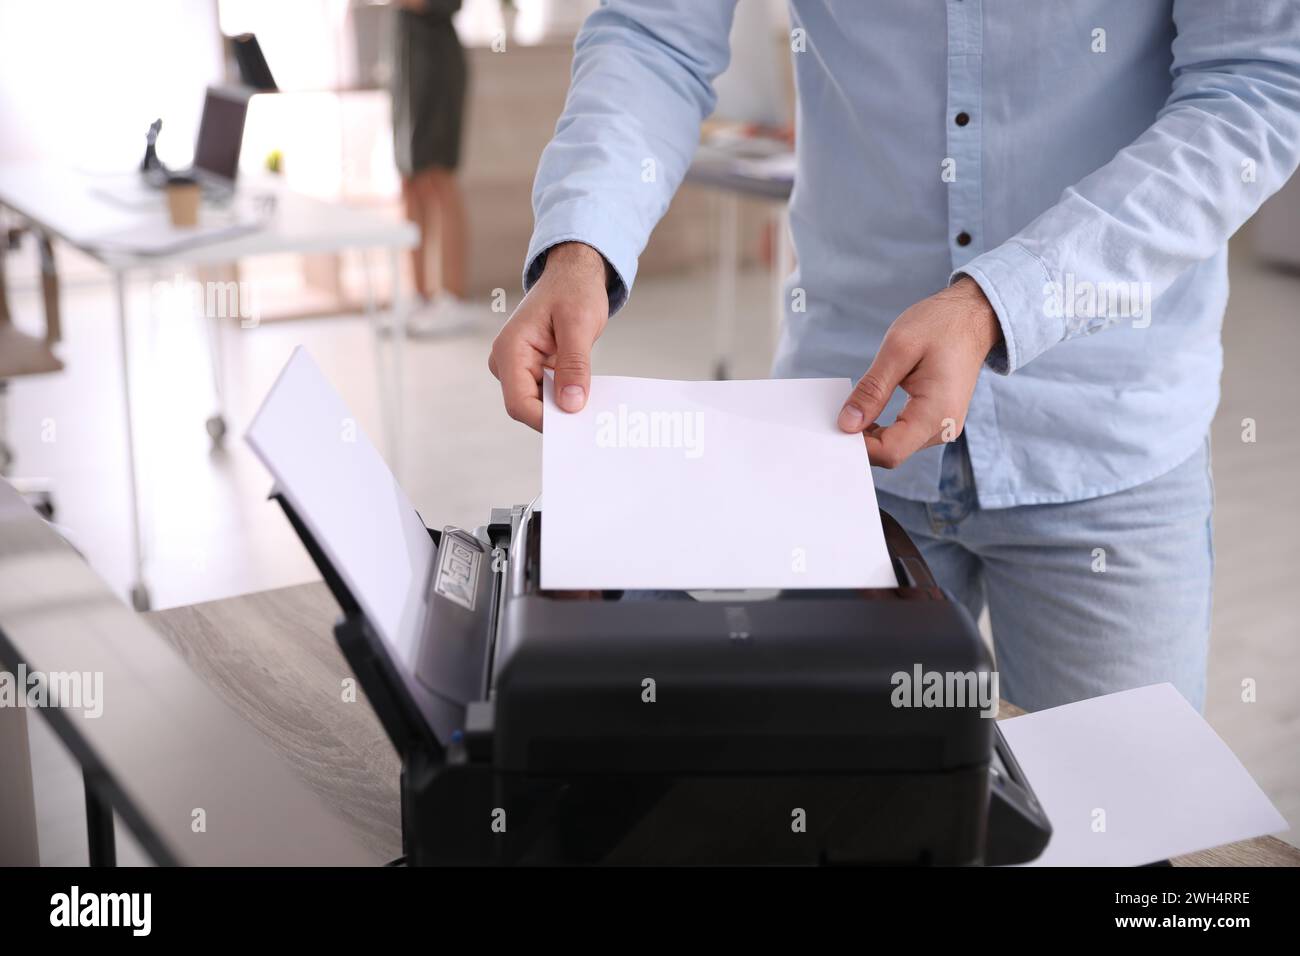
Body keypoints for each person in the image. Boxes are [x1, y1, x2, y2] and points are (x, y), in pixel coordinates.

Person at [489, 1, 1300, 712]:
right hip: (839, 438)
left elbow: (1254, 88)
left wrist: (1001, 300)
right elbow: (652, 35)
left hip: (1106, 434)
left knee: (1113, 843)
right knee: (844, 817)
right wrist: (582, 243)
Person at [391, 0, 474, 335]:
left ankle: (452, 299)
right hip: (407, 64)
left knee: (438, 176)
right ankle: (420, 296)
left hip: (437, 67)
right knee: (409, 179)